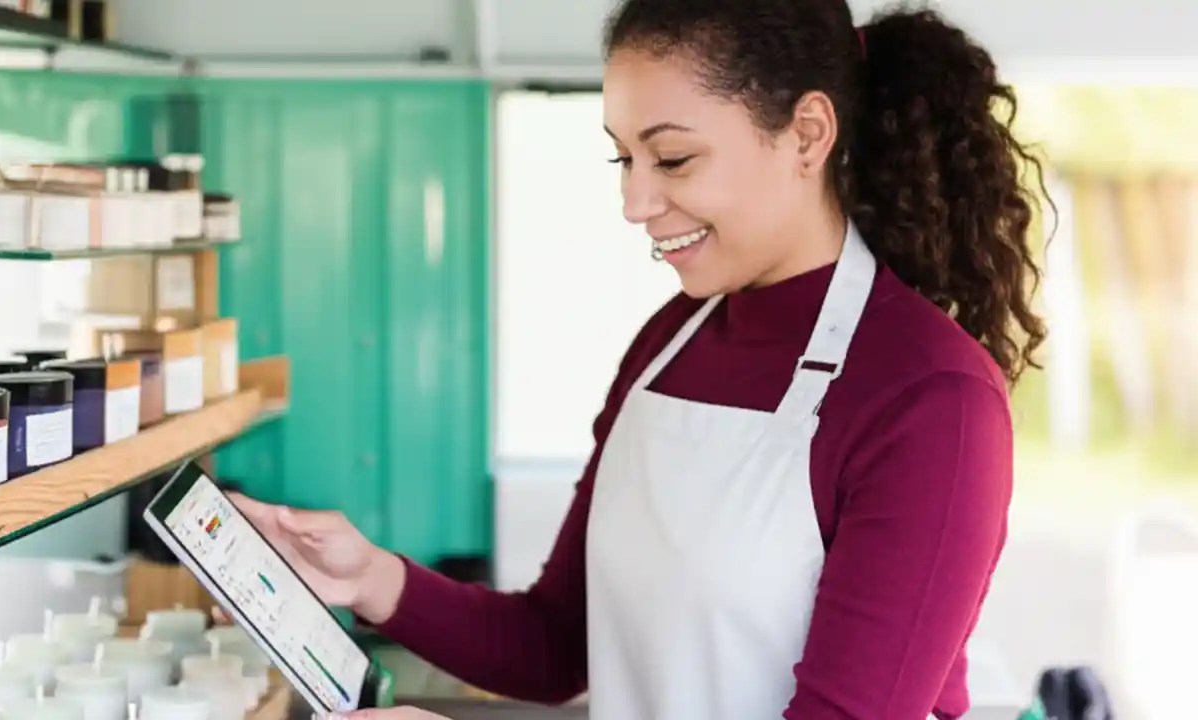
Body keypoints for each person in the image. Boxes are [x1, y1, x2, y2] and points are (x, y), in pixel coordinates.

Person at [234, 0, 1050, 718]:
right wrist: (368, 577)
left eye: (674, 159)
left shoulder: (931, 399)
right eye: (623, 157)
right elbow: (558, 644)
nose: (635, 203)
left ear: (807, 134)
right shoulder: (671, 341)